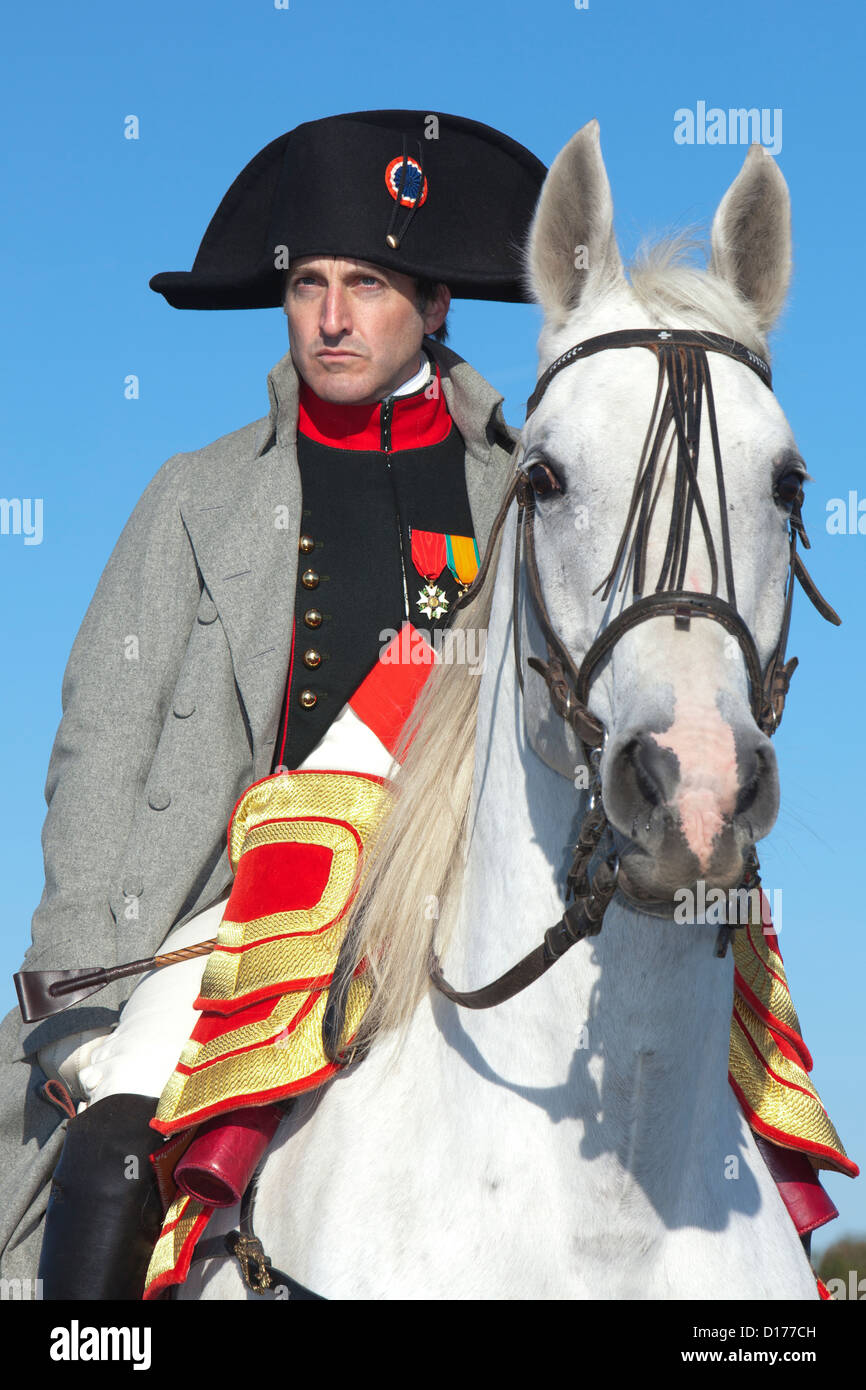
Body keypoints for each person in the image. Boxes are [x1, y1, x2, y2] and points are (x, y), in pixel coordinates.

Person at [0, 109, 547, 1299]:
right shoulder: (194, 495)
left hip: (458, 916)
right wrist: (79, 991)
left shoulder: (522, 495)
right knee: (108, 1152)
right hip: (244, 919)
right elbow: (100, 742)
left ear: (437, 304)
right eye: (308, 284)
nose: (332, 317)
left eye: (367, 282)